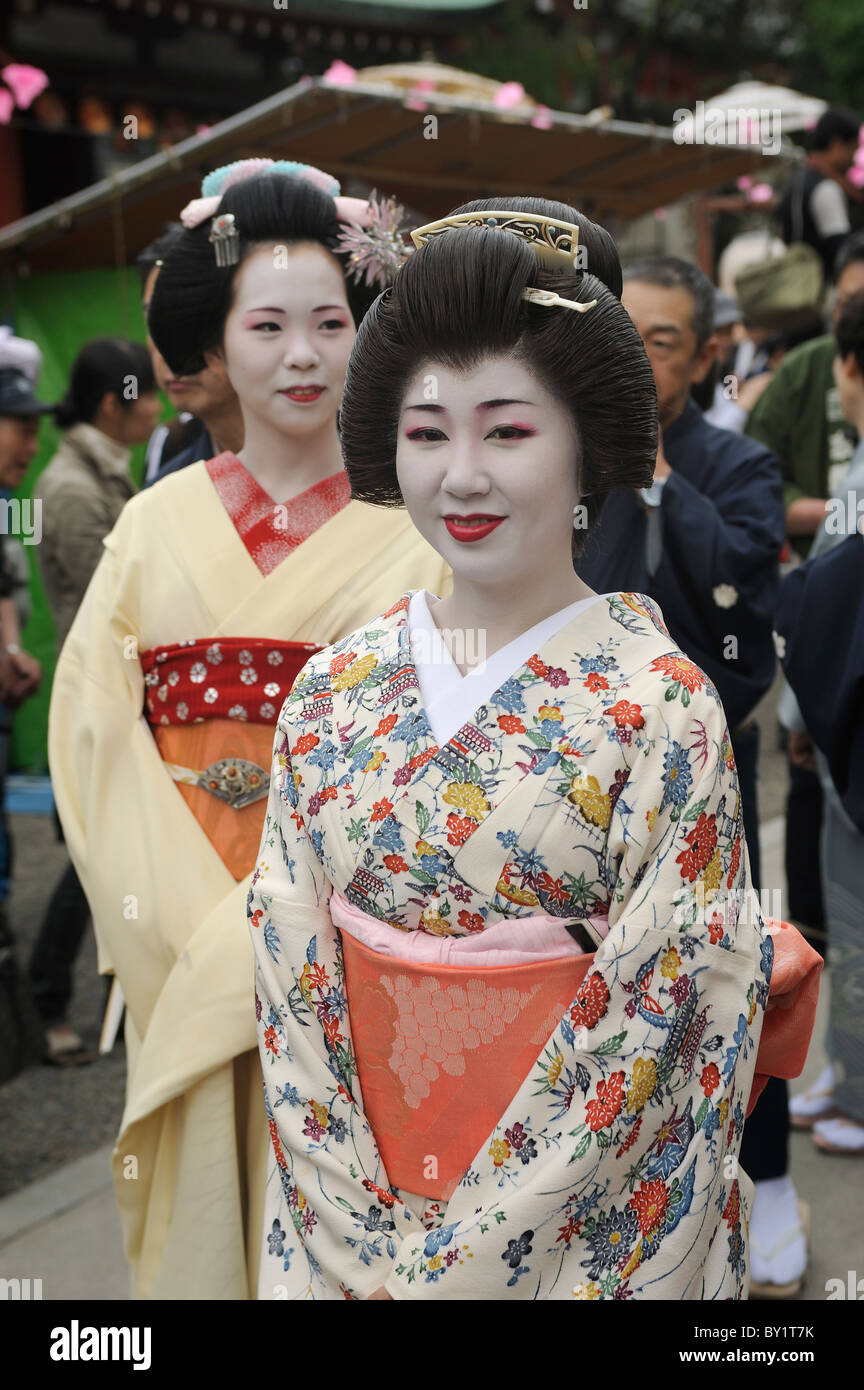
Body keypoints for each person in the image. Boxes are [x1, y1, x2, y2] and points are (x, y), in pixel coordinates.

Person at [247, 199, 819, 1300]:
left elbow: (667, 1024)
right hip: (349, 1217)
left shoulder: (662, 706)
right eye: (426, 432)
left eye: (507, 430)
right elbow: (289, 973)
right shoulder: (332, 690)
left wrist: (462, 1265)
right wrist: (357, 1237)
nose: (461, 475)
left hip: (578, 1236)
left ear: (590, 445)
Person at [48, 159, 453, 1300]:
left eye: (331, 320)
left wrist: (282, 928)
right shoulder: (149, 523)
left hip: (340, 945)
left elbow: (430, 751)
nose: (304, 353)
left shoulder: (419, 530)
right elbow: (92, 742)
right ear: (215, 345)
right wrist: (188, 922)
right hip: (178, 923)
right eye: (266, 324)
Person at [29, 338, 159, 1063]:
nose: (160, 411)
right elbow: (103, 607)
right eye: (150, 397)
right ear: (115, 404)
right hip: (103, 695)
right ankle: (49, 997)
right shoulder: (74, 490)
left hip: (116, 689)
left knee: (106, 855)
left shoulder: (100, 471)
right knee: (91, 859)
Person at [776, 288, 864, 1154]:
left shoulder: (857, 483)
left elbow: (827, 620)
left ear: (849, 367)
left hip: (853, 747)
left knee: (853, 905)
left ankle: (857, 1093)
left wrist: (801, 715)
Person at [0, 355, 48, 1082]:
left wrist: (10, 647)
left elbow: (7, 579)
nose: (28, 444)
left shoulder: (11, 501)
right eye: (18, 429)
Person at [136, 225, 243, 486]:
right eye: (154, 319)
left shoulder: (354, 469)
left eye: (193, 318)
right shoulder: (166, 494)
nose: (170, 347)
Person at [777, 107, 861, 279]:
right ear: (836, 144)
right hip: (820, 291)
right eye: (851, 149)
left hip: (794, 284)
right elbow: (839, 248)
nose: (852, 158)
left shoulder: (796, 182)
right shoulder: (825, 189)